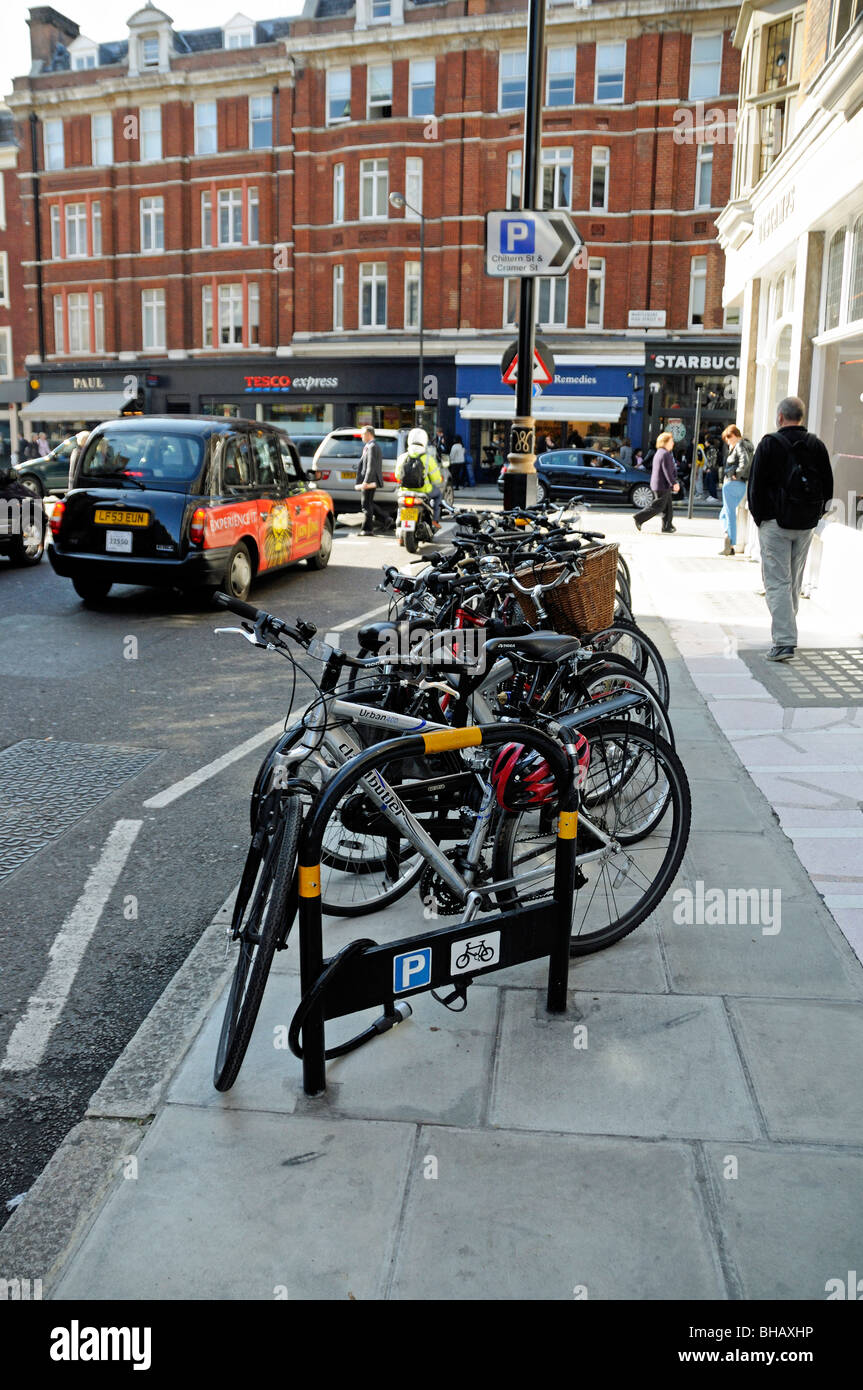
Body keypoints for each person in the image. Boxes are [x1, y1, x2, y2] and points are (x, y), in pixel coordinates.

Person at [748, 395, 833, 661]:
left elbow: (755, 487)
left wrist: (761, 518)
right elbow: (829, 486)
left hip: (775, 523)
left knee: (777, 582)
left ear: (780, 417)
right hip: (805, 523)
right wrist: (816, 515)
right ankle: (786, 631)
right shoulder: (816, 445)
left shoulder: (769, 444)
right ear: (802, 417)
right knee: (793, 581)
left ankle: (784, 641)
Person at [395, 426, 443, 524]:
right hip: (424, 490)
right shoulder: (428, 459)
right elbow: (437, 480)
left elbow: (397, 476)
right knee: (438, 495)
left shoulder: (402, 457)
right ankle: (435, 521)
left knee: (400, 505)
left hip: (405, 491)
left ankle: (399, 523)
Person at [633, 431, 679, 533]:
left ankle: (667, 526)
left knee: (668, 507)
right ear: (665, 442)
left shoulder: (660, 452)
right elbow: (667, 471)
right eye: (671, 441)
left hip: (660, 483)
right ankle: (639, 517)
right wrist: (673, 483)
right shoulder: (665, 453)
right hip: (662, 484)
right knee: (659, 505)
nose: (673, 443)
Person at [718, 424, 754, 555]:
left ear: (734, 435)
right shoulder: (743, 445)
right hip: (740, 484)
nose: (727, 441)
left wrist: (736, 474)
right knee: (724, 514)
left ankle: (730, 542)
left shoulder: (739, 445)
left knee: (728, 513)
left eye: (728, 437)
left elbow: (744, 462)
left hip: (733, 483)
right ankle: (730, 542)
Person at [353, 426, 389, 535]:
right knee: (368, 504)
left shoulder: (372, 446)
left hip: (369, 481)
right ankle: (385, 518)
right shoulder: (370, 446)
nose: (361, 436)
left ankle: (367, 529)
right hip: (369, 480)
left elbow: (371, 466)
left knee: (366, 505)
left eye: (363, 434)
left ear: (369, 434)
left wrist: (366, 481)